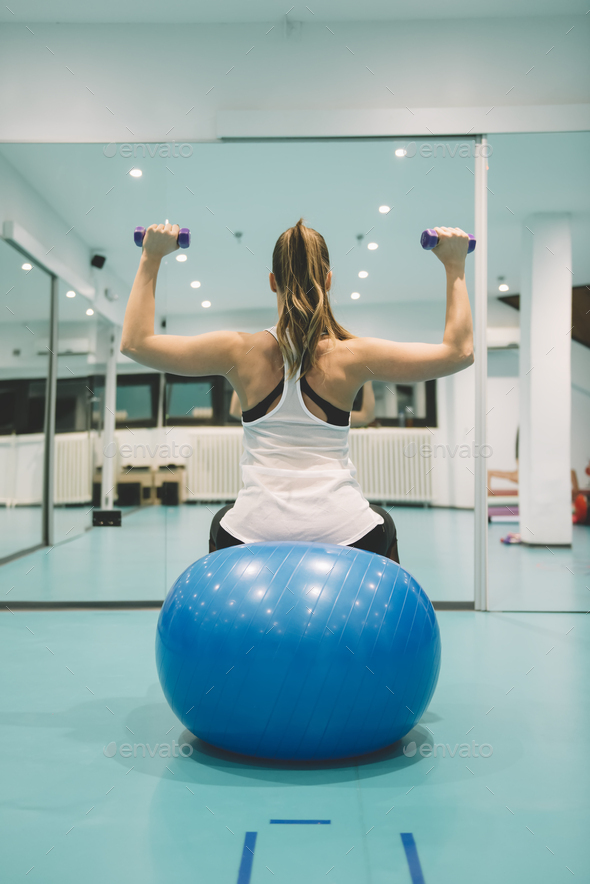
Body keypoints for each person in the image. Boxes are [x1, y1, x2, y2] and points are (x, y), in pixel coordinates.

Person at [120, 219, 473, 563]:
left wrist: (151, 257)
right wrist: (454, 265)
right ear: (329, 280)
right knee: (385, 522)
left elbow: (136, 343)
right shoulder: (353, 355)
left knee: (221, 520)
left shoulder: (236, 350)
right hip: (344, 529)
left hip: (252, 530)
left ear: (273, 282)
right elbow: (459, 353)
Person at [229, 381, 375, 426]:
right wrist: (367, 381)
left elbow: (235, 411)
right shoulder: (326, 416)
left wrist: (242, 377)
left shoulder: (269, 414)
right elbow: (365, 417)